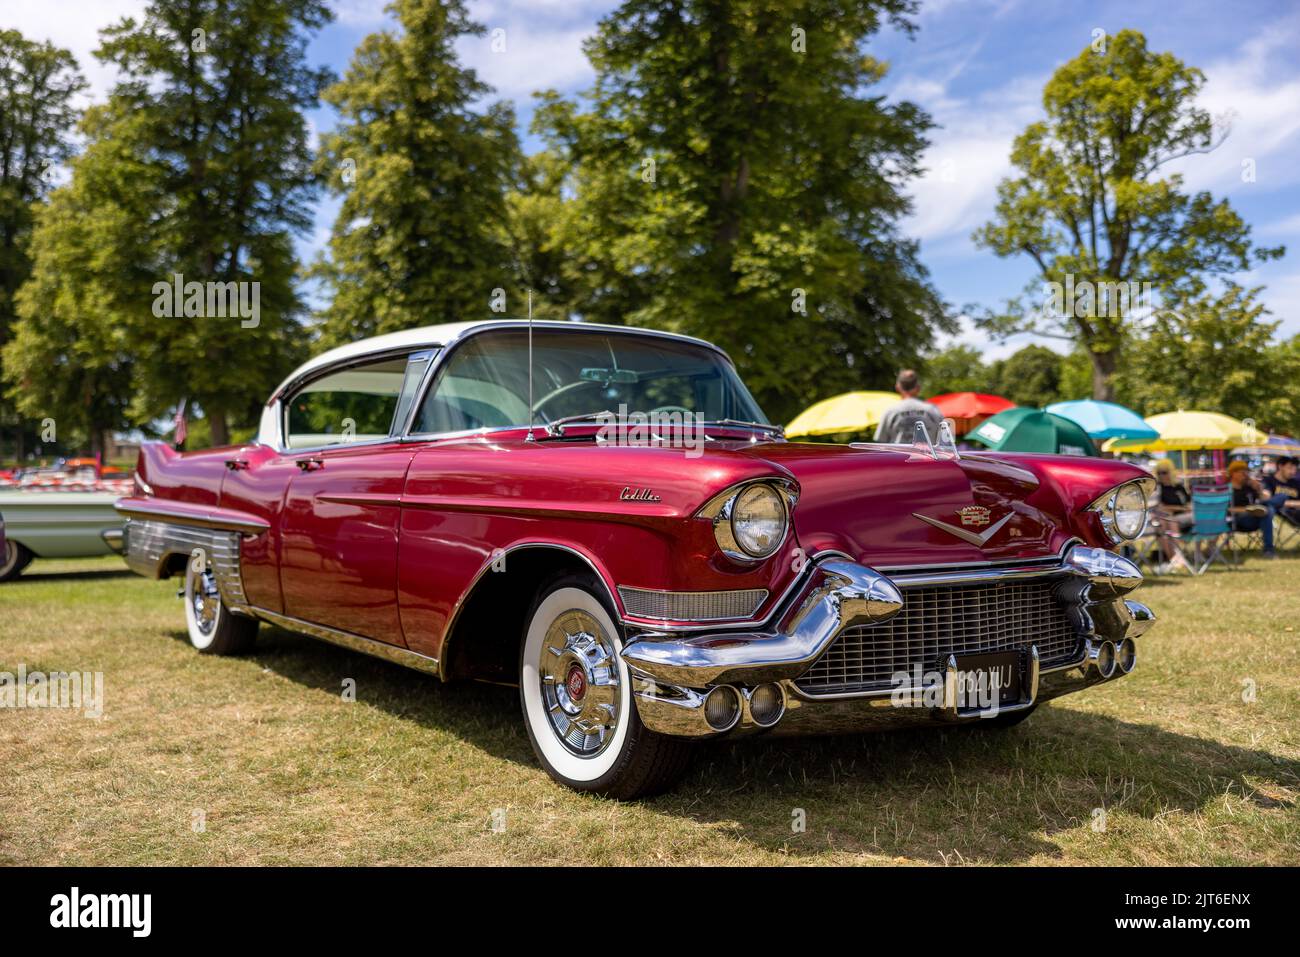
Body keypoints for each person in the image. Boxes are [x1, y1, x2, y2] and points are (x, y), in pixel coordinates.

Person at [874, 369, 944, 444]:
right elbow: (944, 440)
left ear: (897, 387)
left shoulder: (890, 411)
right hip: (927, 455)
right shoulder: (933, 410)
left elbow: (881, 441)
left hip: (899, 455)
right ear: (918, 387)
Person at [1151, 460, 1192, 573]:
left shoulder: (1179, 487)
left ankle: (1175, 558)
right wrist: (1179, 508)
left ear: (1171, 472)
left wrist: (1175, 508)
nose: (1161, 475)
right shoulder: (1158, 488)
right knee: (1162, 524)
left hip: (1186, 517)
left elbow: (1188, 505)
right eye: (1159, 473)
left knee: (1168, 521)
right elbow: (1160, 508)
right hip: (1169, 519)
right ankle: (1175, 558)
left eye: (1164, 472)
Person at [1228, 460, 1275, 557]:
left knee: (1269, 509)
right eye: (1243, 472)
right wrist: (1247, 510)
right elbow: (1226, 509)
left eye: (1247, 472)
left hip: (1255, 518)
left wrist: (1259, 489)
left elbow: (1265, 498)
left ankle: (1268, 550)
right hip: (1236, 520)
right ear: (1233, 473)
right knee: (1267, 512)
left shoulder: (1249, 487)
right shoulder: (1227, 490)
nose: (1246, 475)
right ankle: (1268, 549)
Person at [1262, 455, 1300, 528]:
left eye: (1295, 469)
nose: (1293, 472)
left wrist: (1286, 503)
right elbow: (1268, 499)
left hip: (1296, 514)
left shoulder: (1296, 483)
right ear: (1280, 466)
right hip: (1277, 514)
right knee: (1280, 498)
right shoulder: (1268, 481)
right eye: (1290, 468)